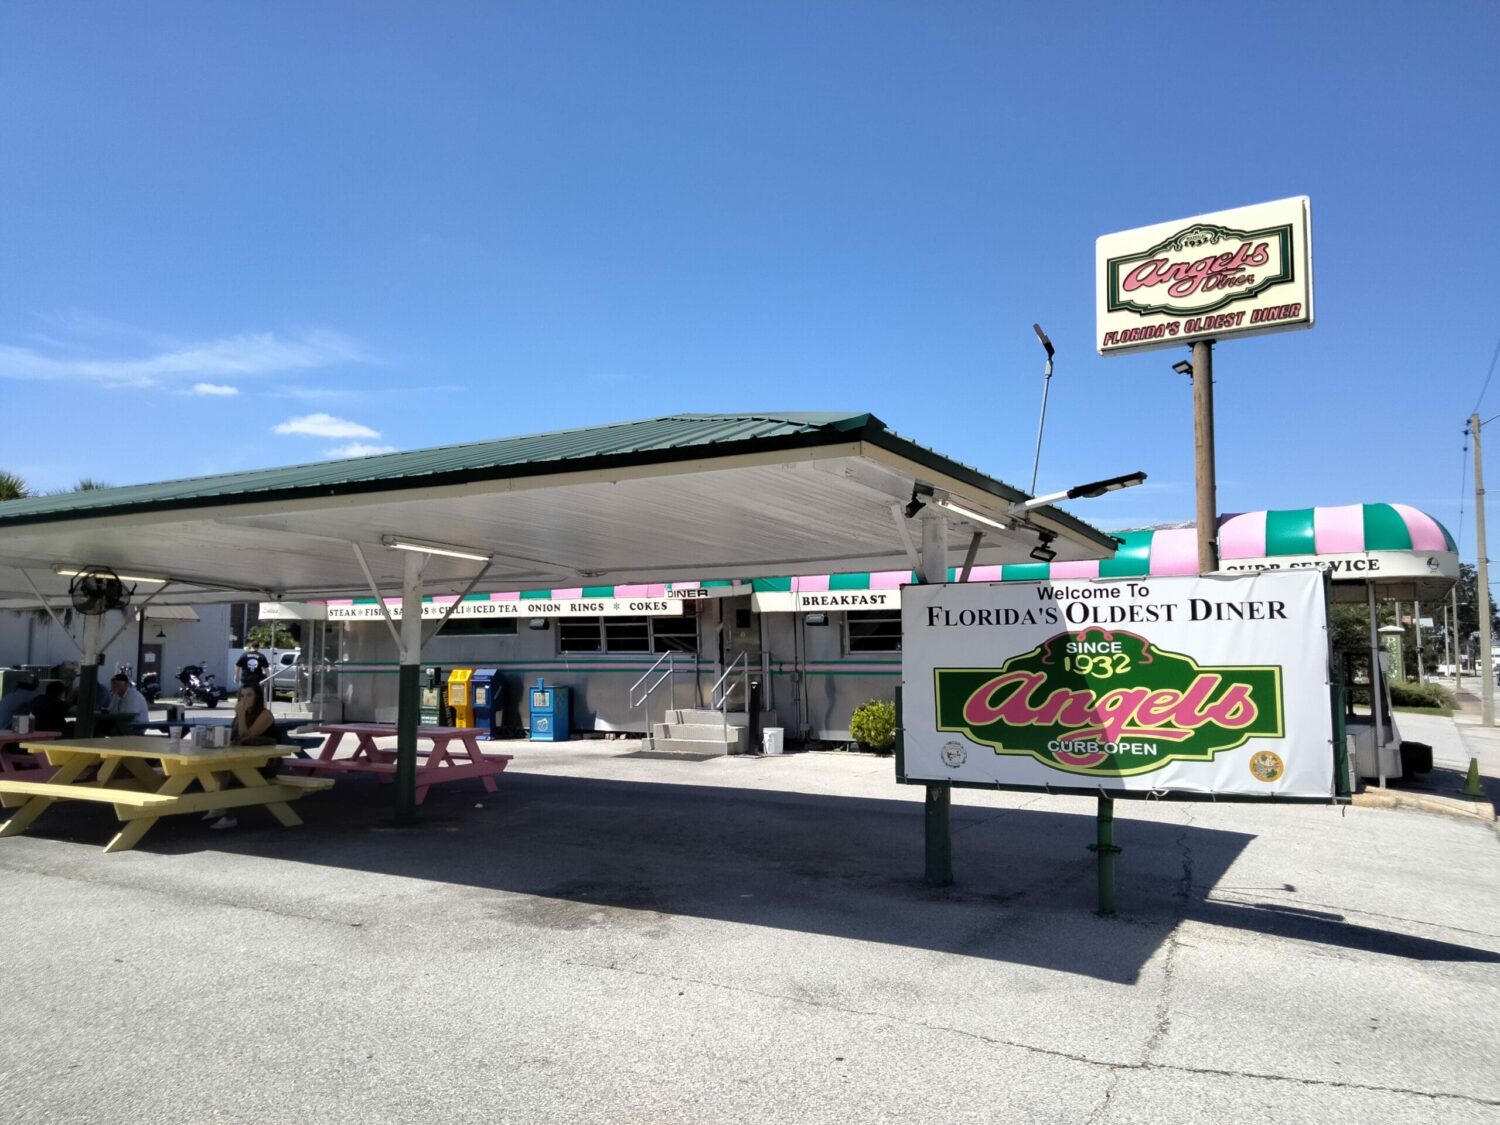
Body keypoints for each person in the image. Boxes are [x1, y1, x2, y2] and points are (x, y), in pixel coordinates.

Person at [208, 683, 280, 831]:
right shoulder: (243, 713)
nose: (245, 699)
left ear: (257, 697)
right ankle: (221, 806)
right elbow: (234, 738)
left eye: (249, 695)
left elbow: (245, 737)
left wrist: (241, 715)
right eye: (242, 695)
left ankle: (229, 815)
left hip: (265, 763)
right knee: (216, 769)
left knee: (233, 774)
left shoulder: (265, 714)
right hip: (243, 759)